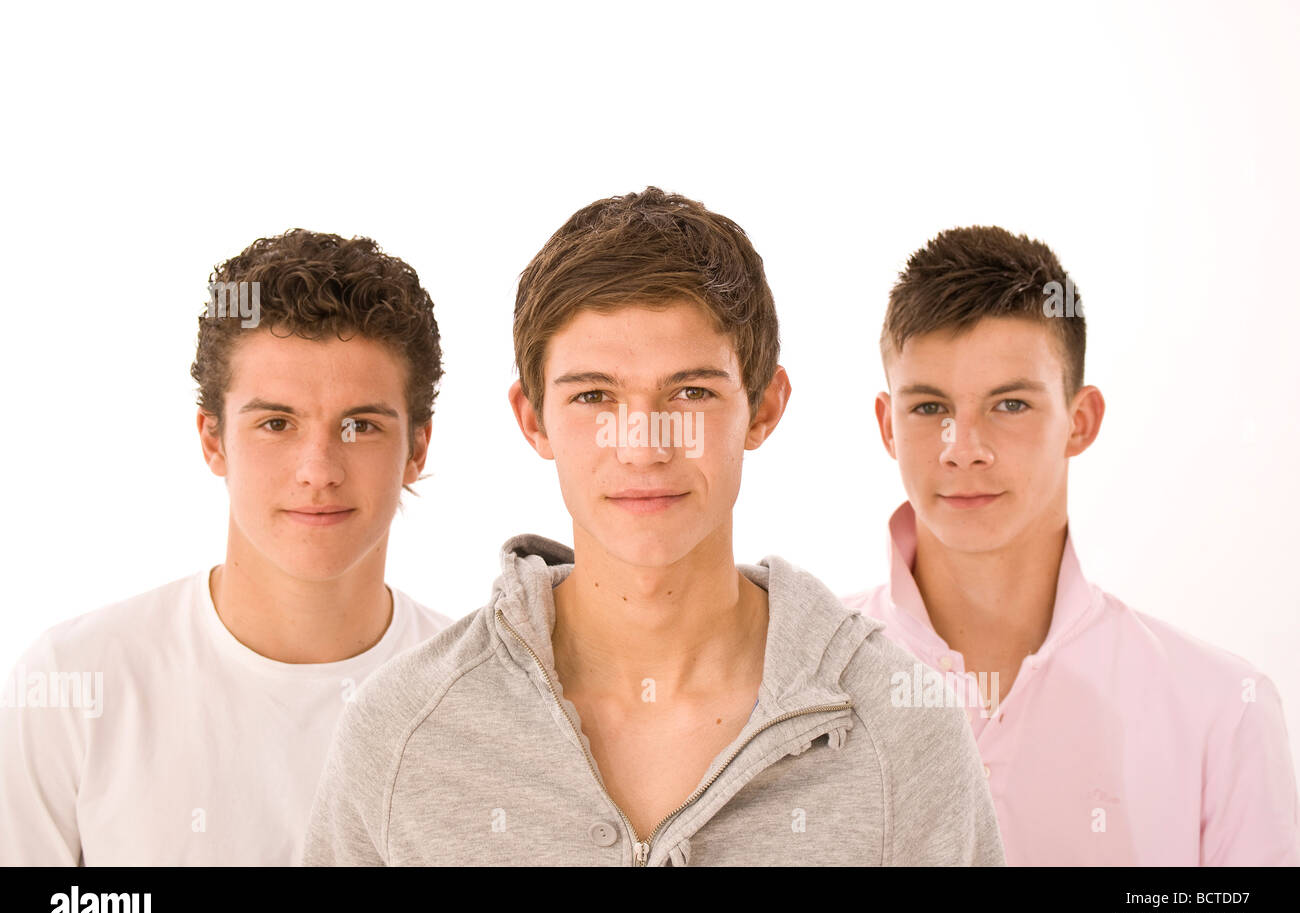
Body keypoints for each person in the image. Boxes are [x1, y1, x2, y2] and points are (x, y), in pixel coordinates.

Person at [301, 187, 1005, 866]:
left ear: (763, 408)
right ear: (533, 419)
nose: (643, 446)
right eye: (594, 396)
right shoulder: (403, 733)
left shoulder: (903, 735)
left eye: (691, 392)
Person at [843, 224, 1300, 865]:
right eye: (928, 408)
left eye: (1010, 404)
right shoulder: (795, 689)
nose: (963, 448)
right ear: (887, 426)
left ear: (1079, 422)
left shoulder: (1222, 713)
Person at [0, 229, 454, 865]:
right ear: (213, 440)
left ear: (417, 448)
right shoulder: (74, 684)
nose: (318, 470)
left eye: (360, 425)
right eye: (276, 423)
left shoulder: (480, 699)